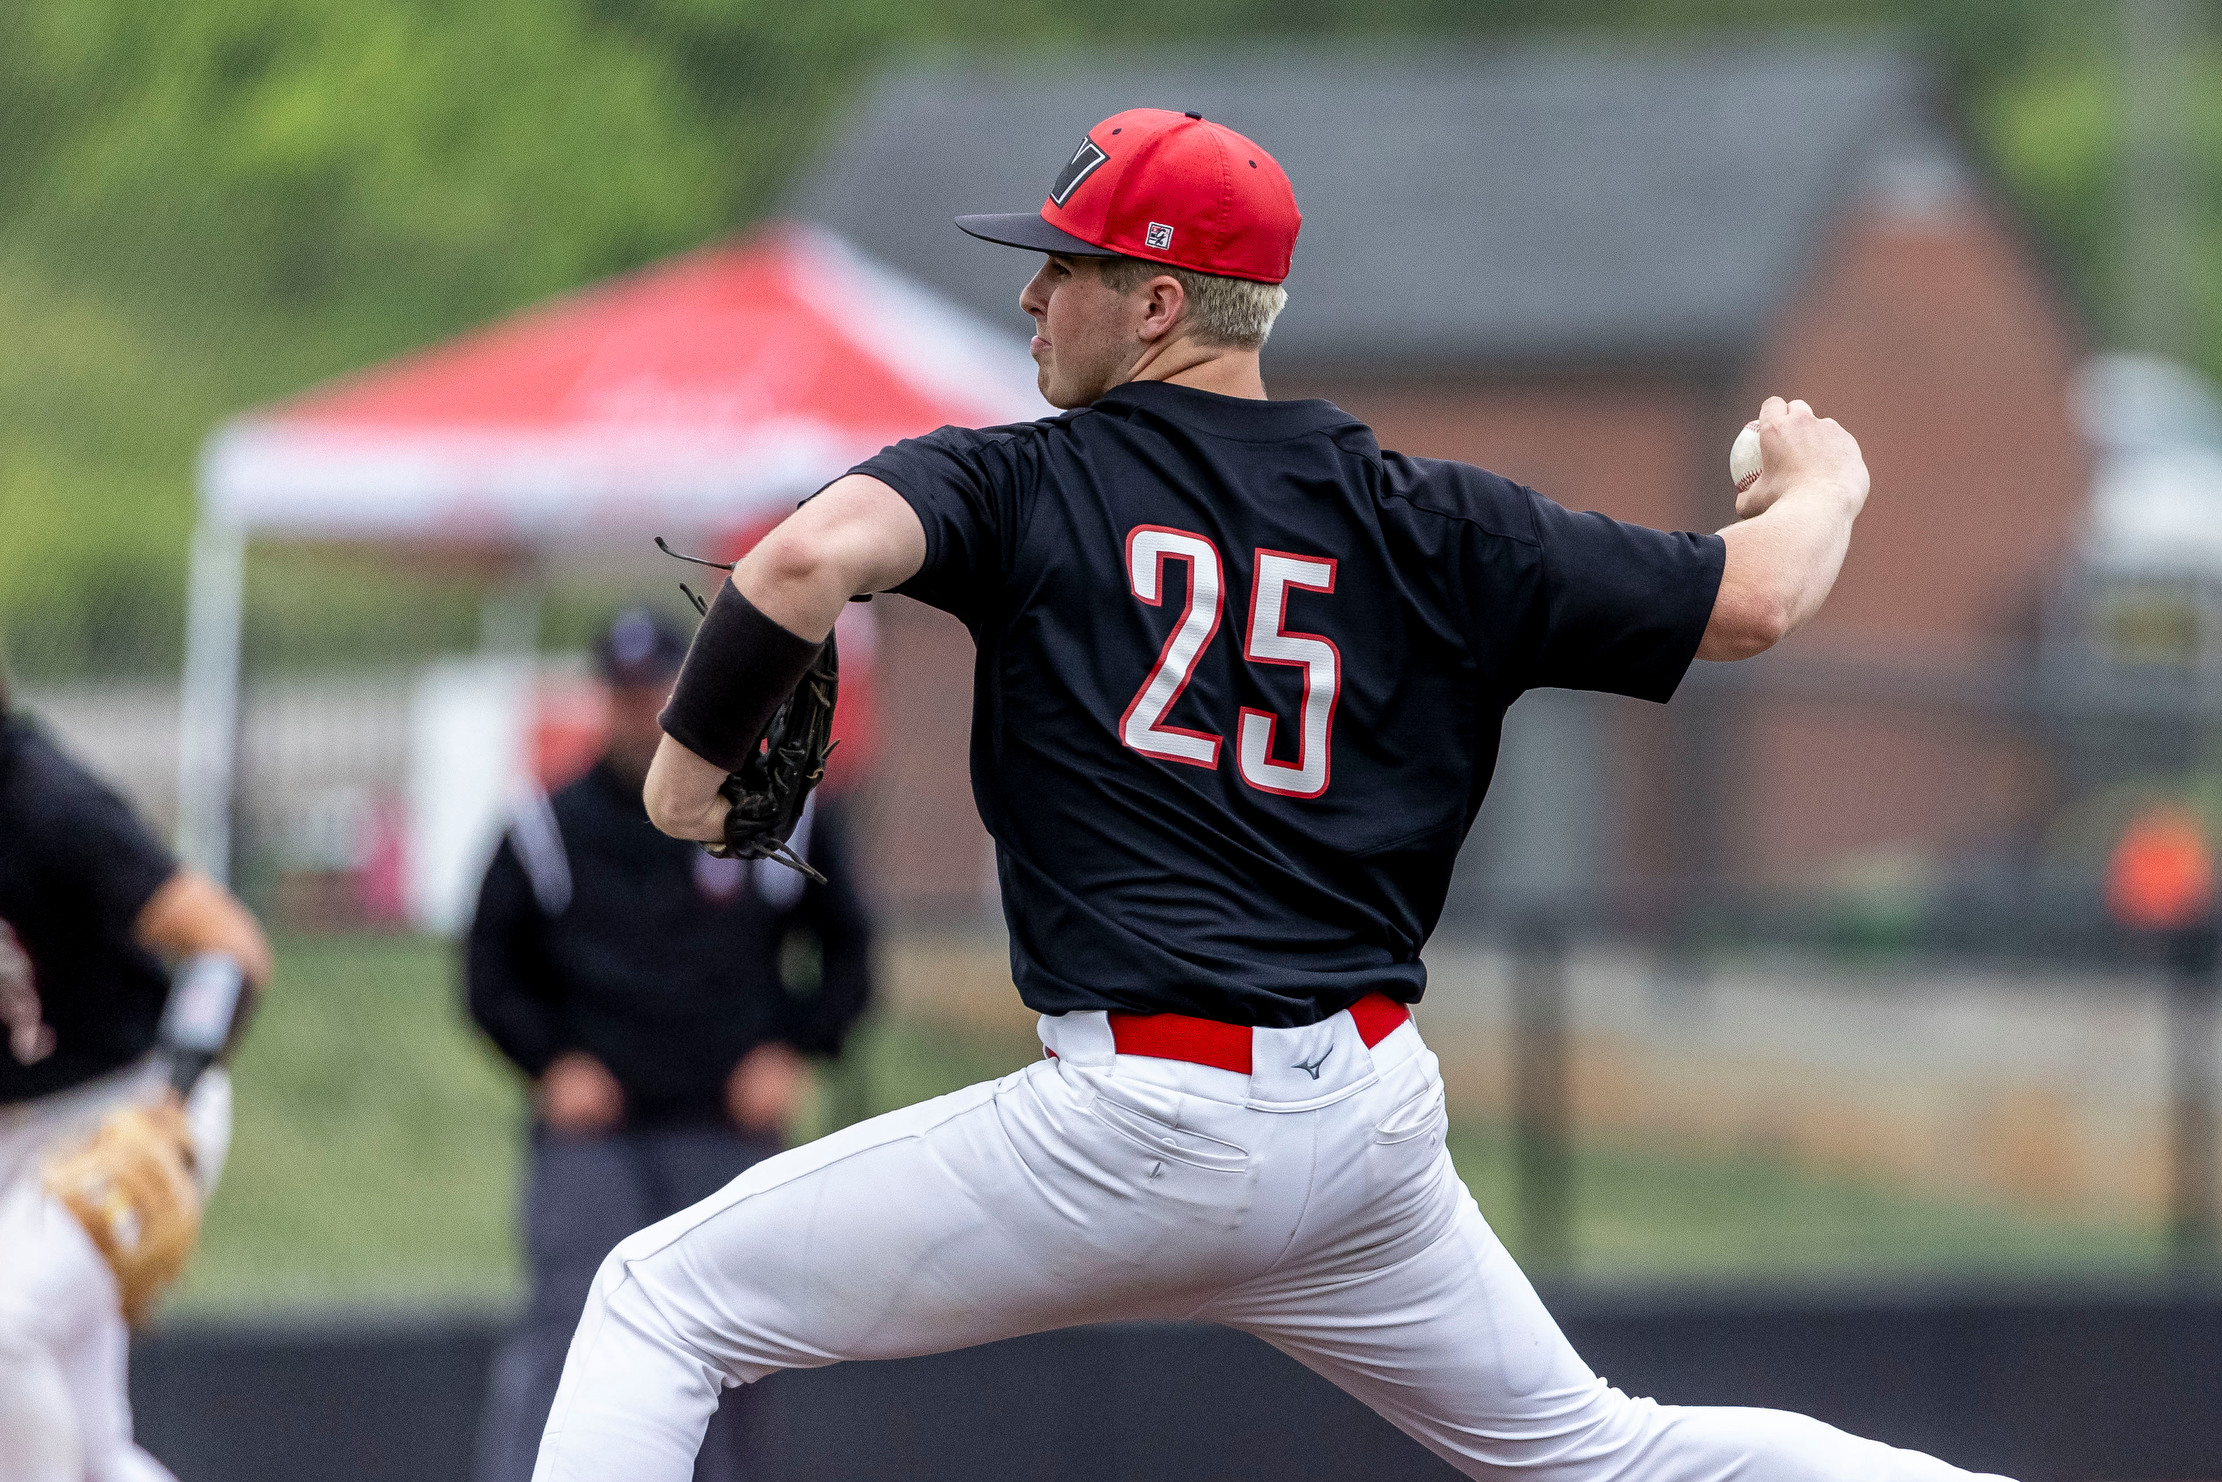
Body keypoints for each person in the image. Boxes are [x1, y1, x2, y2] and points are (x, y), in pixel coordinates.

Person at [533, 109, 2000, 1482]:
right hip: (1361, 1130)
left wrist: (683, 780)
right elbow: (1751, 600)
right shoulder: (1431, 519)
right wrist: (1824, 487)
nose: (1032, 294)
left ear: (1158, 304)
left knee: (659, 1301)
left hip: (1132, 1124)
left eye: (1066, 266)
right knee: (1600, 1453)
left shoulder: (1022, 485)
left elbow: (801, 559)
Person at [466, 607, 873, 1482]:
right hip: (595, 1136)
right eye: (622, 695)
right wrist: (549, 1063)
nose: (639, 715)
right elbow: (488, 973)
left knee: (733, 1341)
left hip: (727, 1127)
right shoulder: (548, 826)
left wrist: (796, 1049)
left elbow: (851, 952)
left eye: (655, 693)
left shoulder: (773, 813)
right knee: (573, 1325)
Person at [0, 662, 271, 1482]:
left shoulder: (48, 802)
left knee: (6, 1329)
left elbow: (227, 946)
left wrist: (171, 1100)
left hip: (127, 1108)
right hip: (17, 1135)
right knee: (92, 1451)